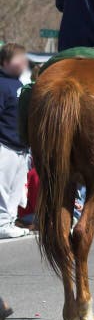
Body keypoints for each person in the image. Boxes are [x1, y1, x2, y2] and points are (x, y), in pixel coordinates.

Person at [0, 43, 31, 239]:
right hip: (5, 145)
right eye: (16, 59)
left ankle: (9, 221)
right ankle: (2, 223)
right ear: (4, 62)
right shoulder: (2, 85)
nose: (22, 62)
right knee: (2, 187)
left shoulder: (19, 84)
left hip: (21, 147)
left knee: (16, 188)